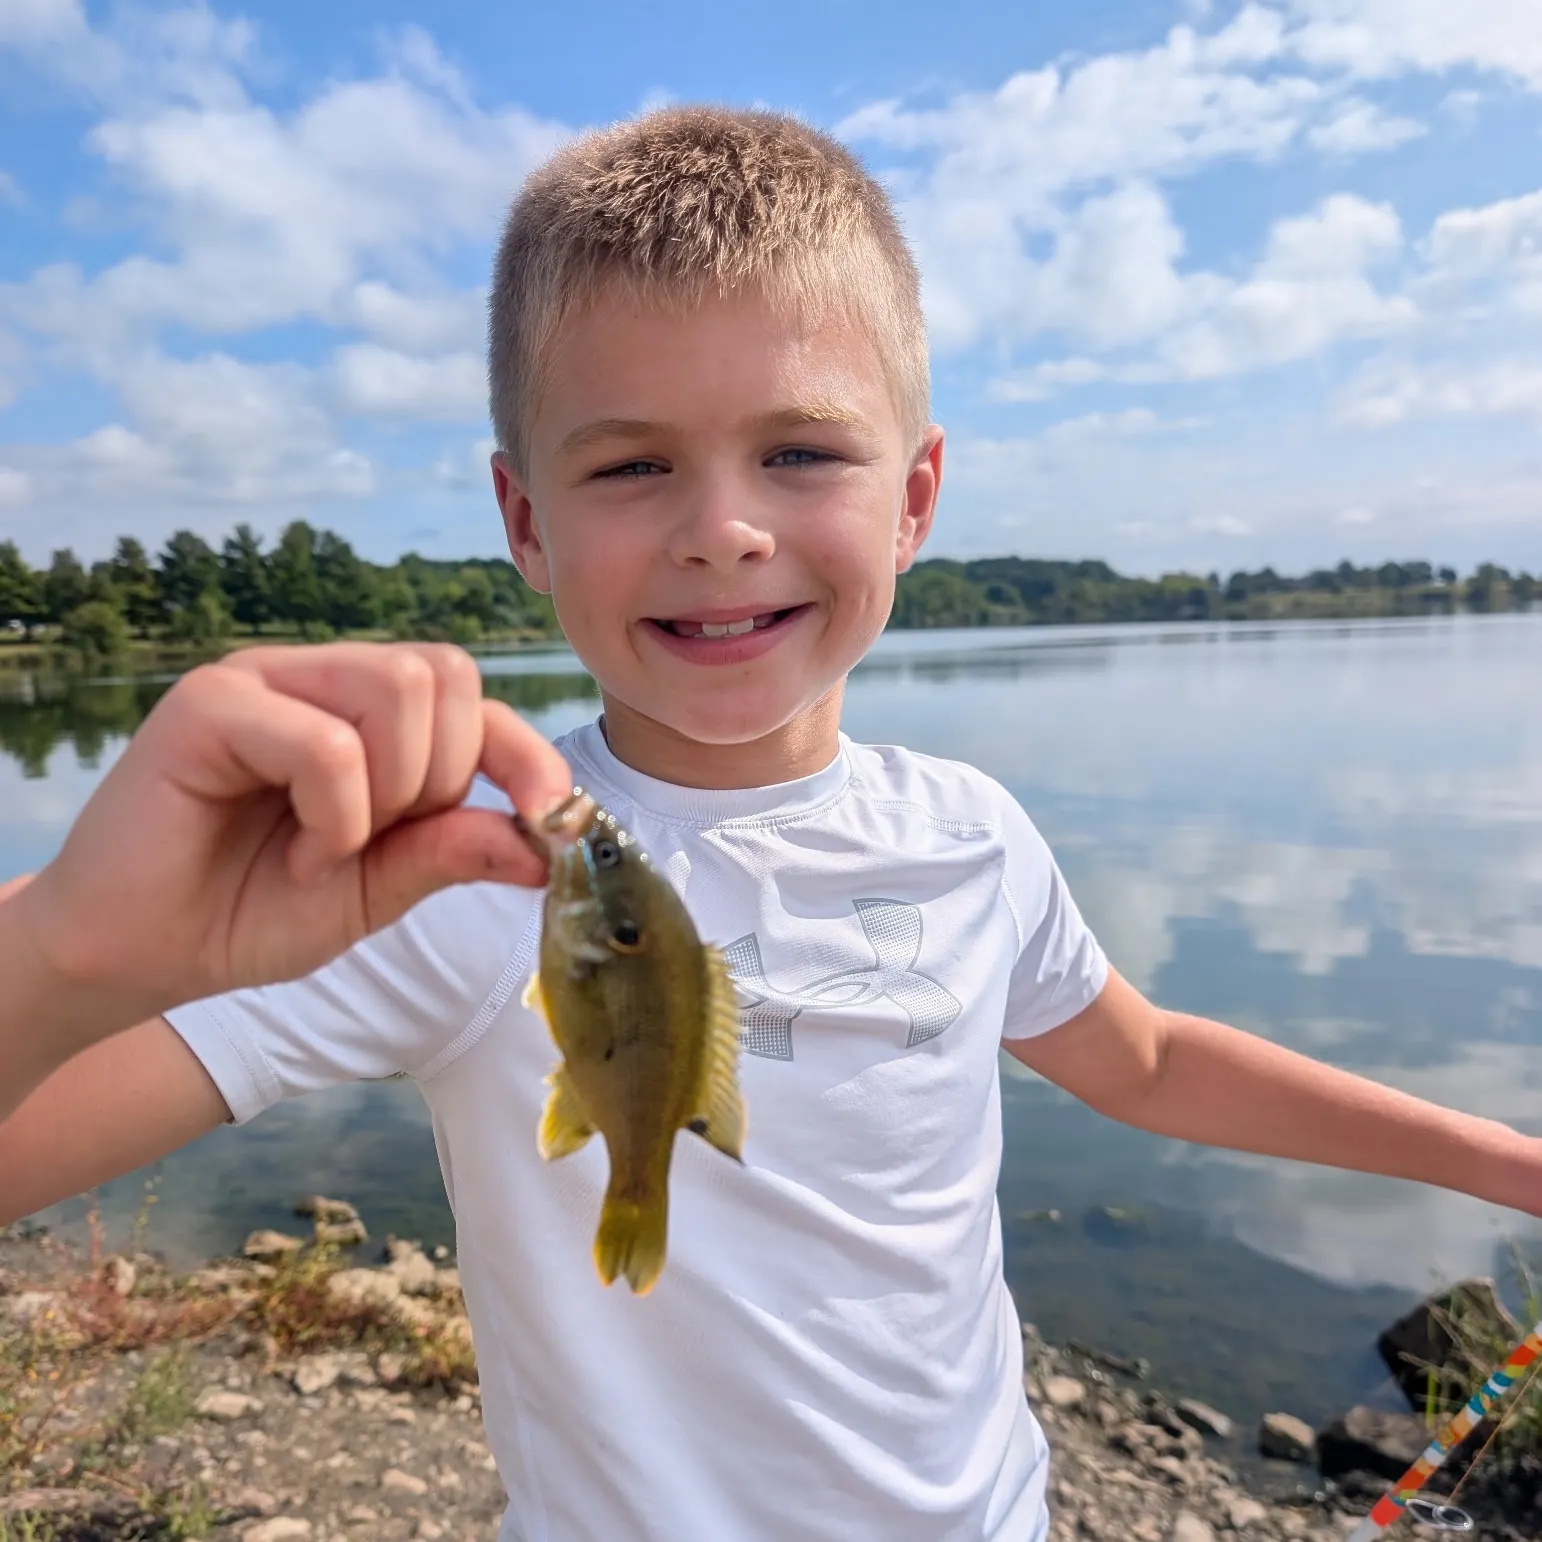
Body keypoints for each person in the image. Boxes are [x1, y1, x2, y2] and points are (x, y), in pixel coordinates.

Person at [2, 107, 1536, 1542]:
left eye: (800, 451)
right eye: (629, 463)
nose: (722, 526)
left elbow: (1138, 1057)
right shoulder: (455, 870)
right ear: (523, 519)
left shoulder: (973, 833)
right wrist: (71, 946)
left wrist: (1496, 1157)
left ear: (915, 496)